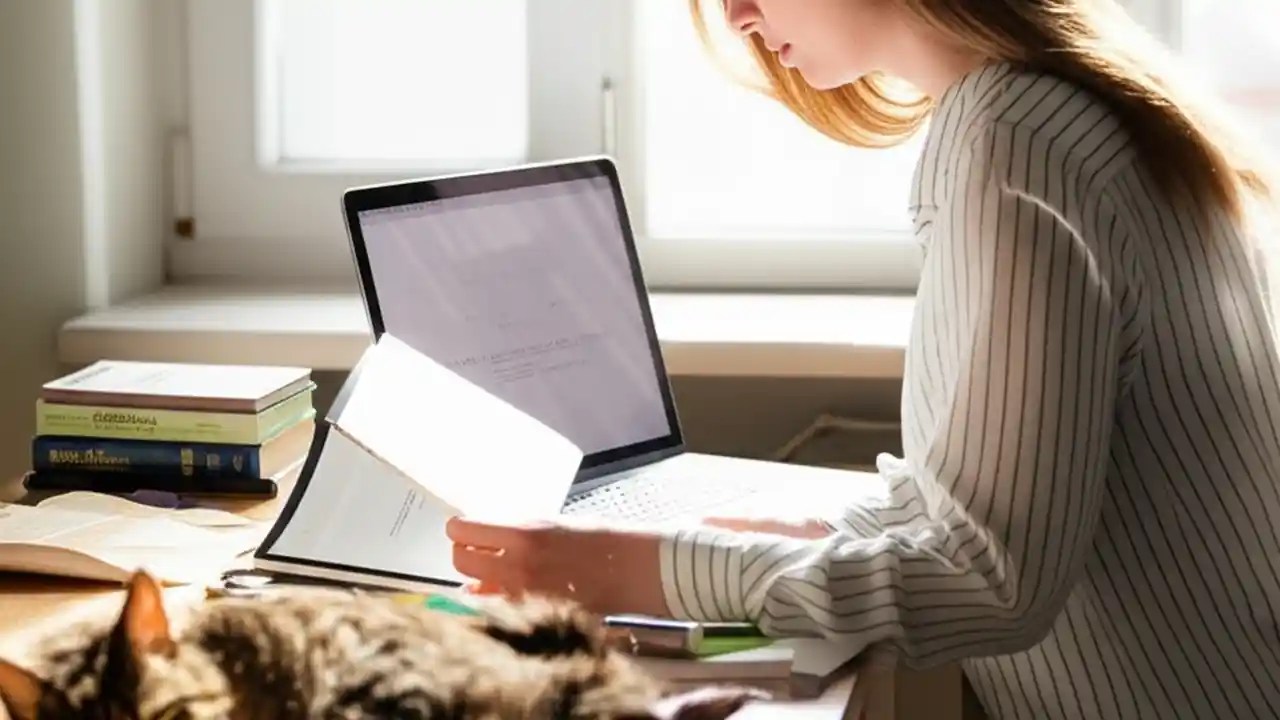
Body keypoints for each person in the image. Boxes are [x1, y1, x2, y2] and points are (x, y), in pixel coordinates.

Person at [447, 0, 1280, 717]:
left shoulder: (1016, 145)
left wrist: (630, 566)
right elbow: (1011, 497)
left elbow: (989, 581)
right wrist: (820, 530)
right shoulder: (1065, 108)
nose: (736, 16)